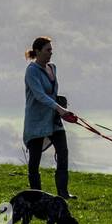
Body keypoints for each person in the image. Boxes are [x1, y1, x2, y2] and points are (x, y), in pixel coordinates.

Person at [23, 36, 78, 199]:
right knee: (35, 160)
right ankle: (37, 195)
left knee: (63, 153)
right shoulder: (31, 71)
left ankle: (63, 193)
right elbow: (39, 95)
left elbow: (51, 93)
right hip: (37, 120)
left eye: (51, 50)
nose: (50, 53)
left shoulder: (52, 68)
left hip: (53, 118)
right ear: (38, 51)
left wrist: (61, 105)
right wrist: (60, 109)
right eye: (47, 50)